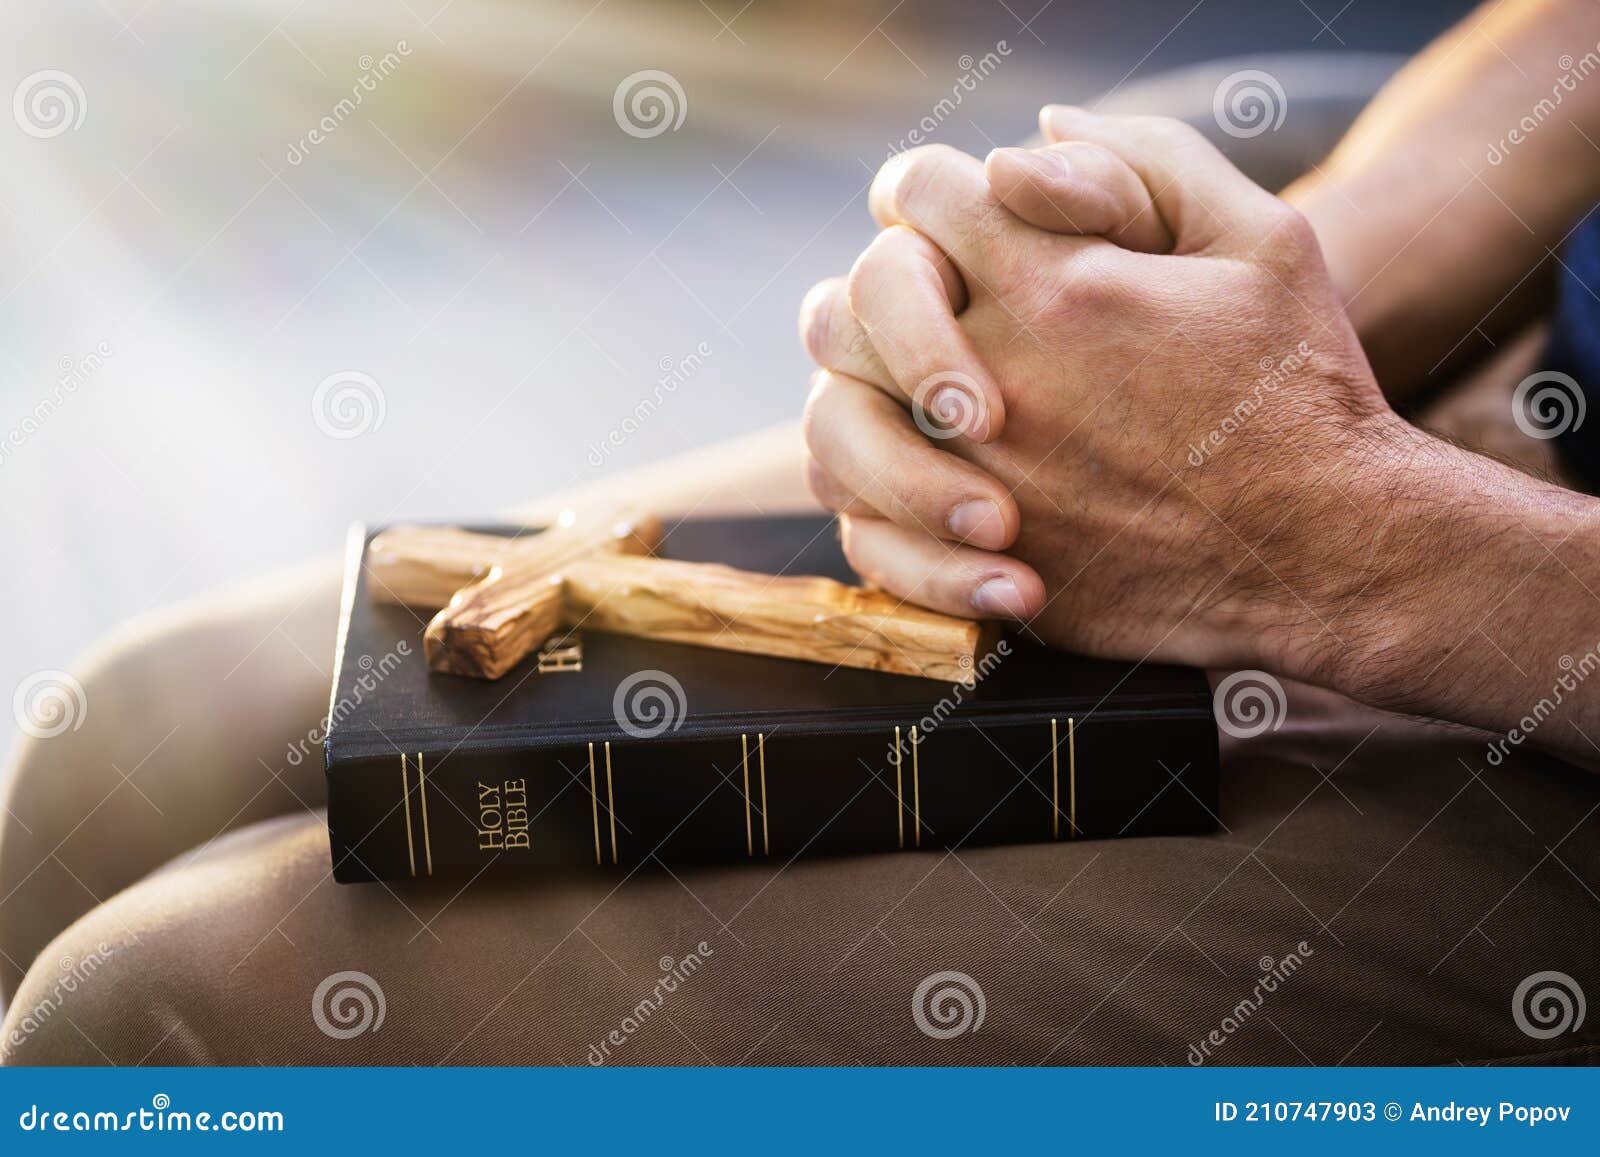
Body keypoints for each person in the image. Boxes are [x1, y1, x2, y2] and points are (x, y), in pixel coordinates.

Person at [2, 0, 1597, 1065]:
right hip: (1493, 360)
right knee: (136, 731)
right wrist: (1268, 322)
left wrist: (1347, 540)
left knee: (163, 1015)